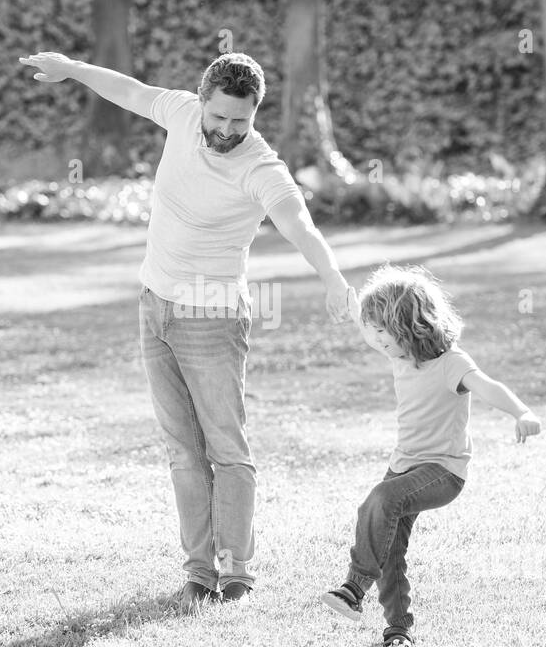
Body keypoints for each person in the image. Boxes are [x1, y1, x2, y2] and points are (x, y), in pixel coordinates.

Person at [20, 50, 356, 614]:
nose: (227, 131)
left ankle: (238, 570)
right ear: (201, 102)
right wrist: (74, 68)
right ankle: (200, 572)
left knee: (226, 447)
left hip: (213, 317)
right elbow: (126, 89)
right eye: (219, 117)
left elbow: (300, 224)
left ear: (255, 116)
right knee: (182, 451)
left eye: (240, 122)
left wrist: (333, 280)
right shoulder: (178, 113)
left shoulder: (261, 167)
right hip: (156, 307)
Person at [320, 264, 542, 647]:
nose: (375, 341)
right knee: (388, 546)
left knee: (381, 499)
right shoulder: (398, 353)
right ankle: (398, 629)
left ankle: (354, 587)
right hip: (402, 464)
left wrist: (521, 412)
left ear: (408, 325)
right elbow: (362, 319)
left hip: (443, 471)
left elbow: (488, 387)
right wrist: (344, 294)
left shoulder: (451, 363)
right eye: (372, 332)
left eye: (382, 333)